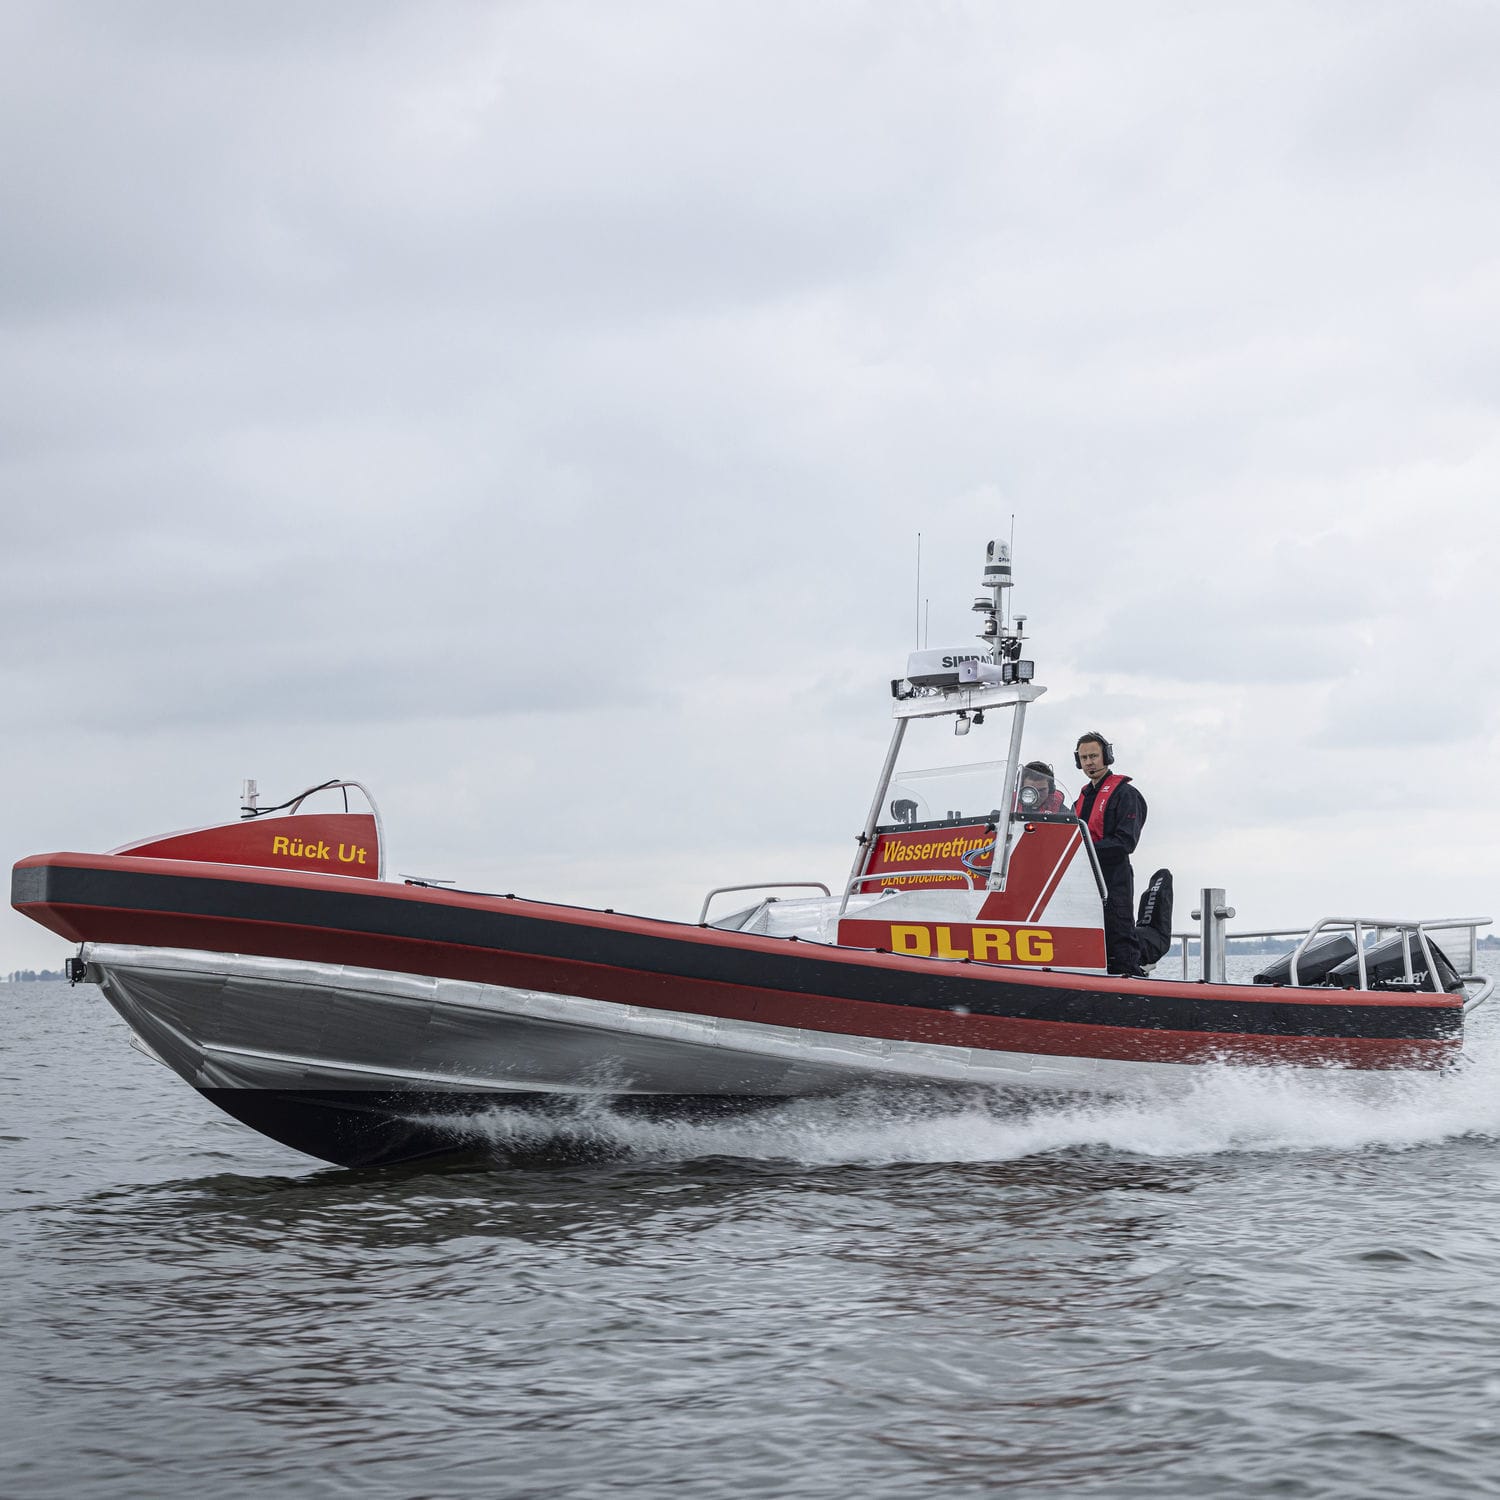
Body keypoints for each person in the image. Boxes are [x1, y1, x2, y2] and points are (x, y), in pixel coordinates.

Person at [1073, 732, 1148, 977]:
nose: (1089, 762)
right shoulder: (1081, 798)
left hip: (1114, 878)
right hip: (1085, 881)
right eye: (1084, 758)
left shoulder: (1126, 794)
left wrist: (1084, 850)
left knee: (1119, 938)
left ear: (1106, 756)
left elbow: (1125, 842)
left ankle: (1130, 984)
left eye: (1094, 756)